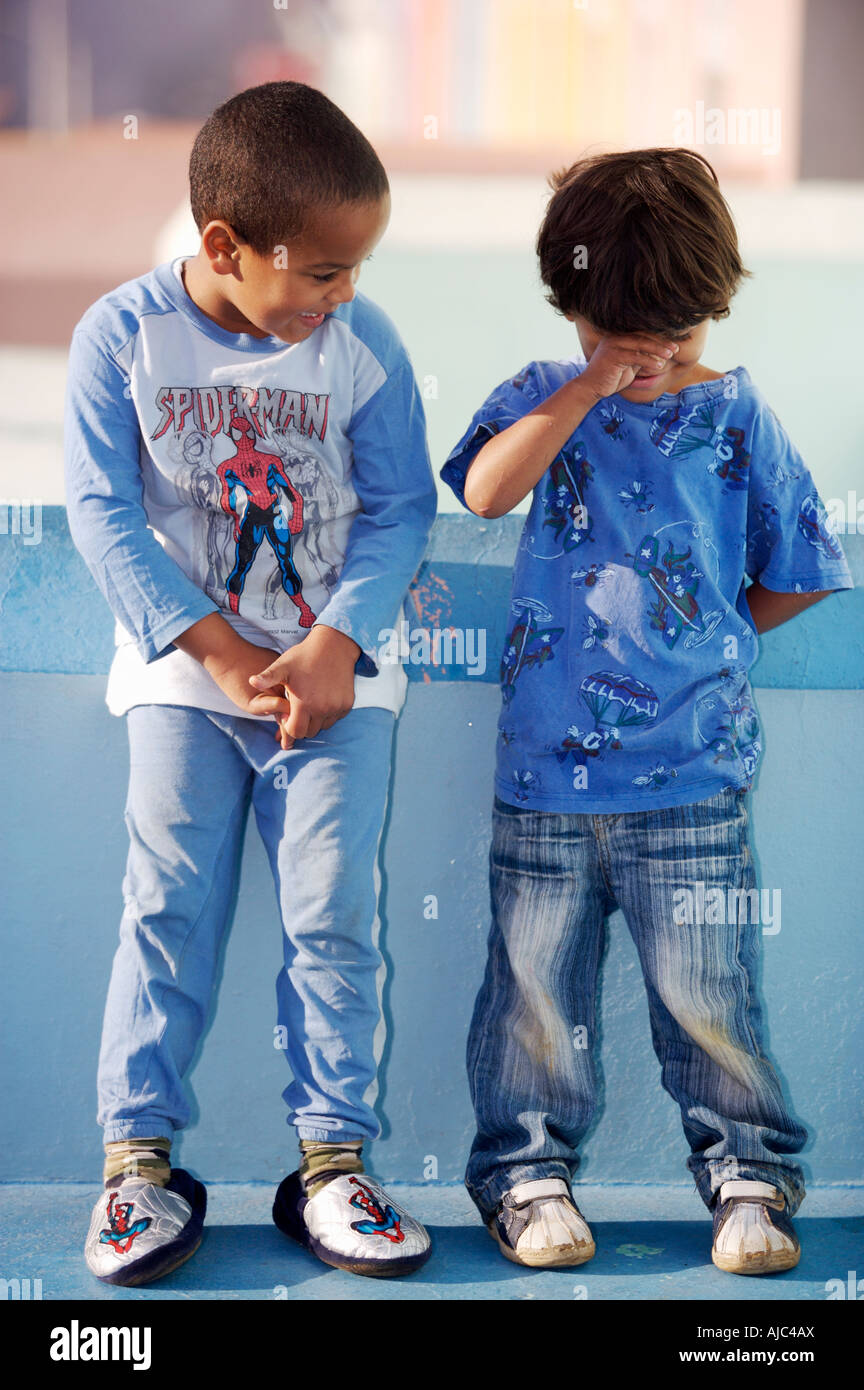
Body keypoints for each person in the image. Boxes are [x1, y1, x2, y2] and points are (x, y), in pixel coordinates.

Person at [440, 148, 853, 1276]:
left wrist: (716, 636)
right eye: (620, 335)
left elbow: (807, 562)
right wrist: (583, 388)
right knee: (531, 993)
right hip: (544, 781)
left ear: (715, 302)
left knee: (709, 996)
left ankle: (749, 1179)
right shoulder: (542, 394)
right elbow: (482, 489)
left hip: (694, 780)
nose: (652, 360)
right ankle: (526, 1177)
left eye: (676, 334)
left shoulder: (736, 416)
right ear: (571, 309)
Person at [66, 81, 437, 1284]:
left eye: (356, 270)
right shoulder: (120, 338)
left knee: (332, 919)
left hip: (335, 689)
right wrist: (217, 650)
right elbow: (101, 514)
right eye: (322, 272)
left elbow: (399, 509)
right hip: (186, 687)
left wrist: (335, 644)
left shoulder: (363, 345)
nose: (344, 294)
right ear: (224, 246)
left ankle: (332, 1166)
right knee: (167, 913)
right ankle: (138, 1170)